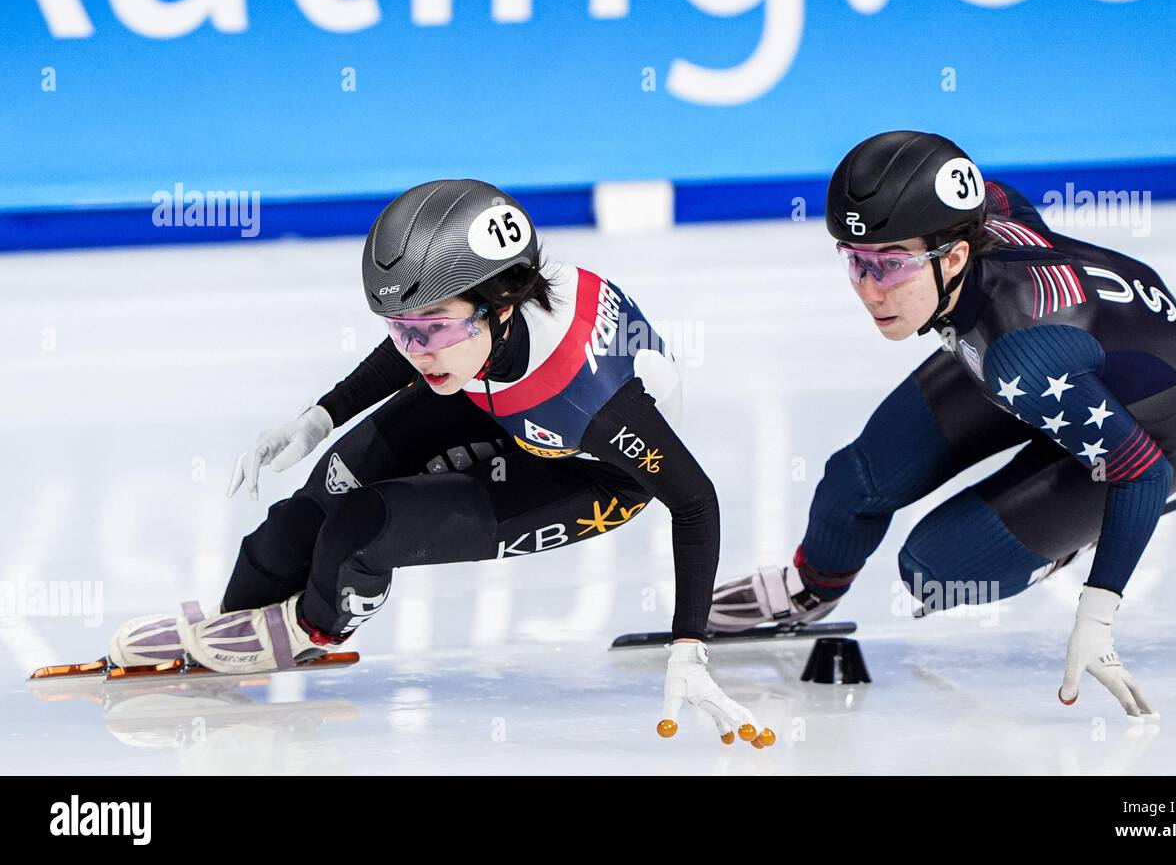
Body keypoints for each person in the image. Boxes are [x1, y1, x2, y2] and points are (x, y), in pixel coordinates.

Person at [110, 179, 771, 746]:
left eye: (433, 329)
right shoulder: (469, 328)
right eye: (403, 330)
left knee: (360, 529)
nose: (417, 350)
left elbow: (694, 498)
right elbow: (424, 341)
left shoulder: (591, 395)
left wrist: (689, 644)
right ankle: (234, 625)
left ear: (501, 307)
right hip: (489, 394)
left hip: (587, 471)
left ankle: (309, 627)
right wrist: (321, 417)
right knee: (297, 520)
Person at [710, 131, 1176, 718]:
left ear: (954, 257)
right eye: (856, 261)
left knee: (933, 575)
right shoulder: (981, 218)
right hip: (1067, 358)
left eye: (893, 264)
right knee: (856, 482)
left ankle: (1072, 536)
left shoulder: (1017, 354)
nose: (870, 290)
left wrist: (1097, 617)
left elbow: (1143, 472)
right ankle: (810, 591)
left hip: (1163, 422)